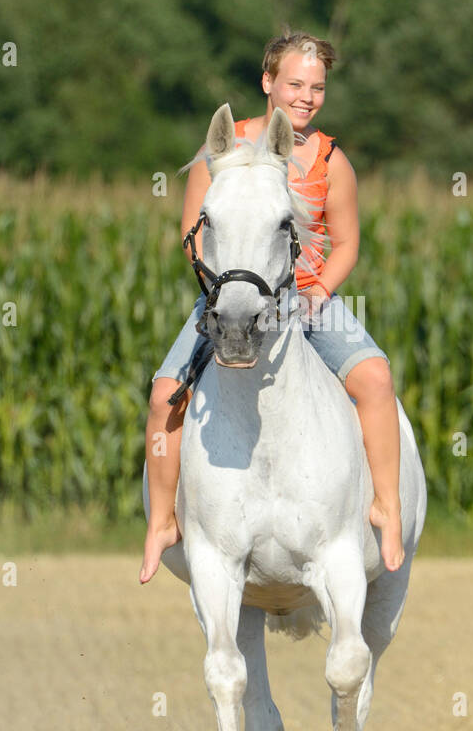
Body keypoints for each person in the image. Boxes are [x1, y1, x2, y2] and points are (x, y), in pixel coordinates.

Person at [139, 29, 405, 583]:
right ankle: (163, 521)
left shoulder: (331, 161)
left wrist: (318, 294)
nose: (306, 96)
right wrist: (226, 292)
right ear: (267, 82)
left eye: (318, 87)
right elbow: (192, 229)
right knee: (166, 392)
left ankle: (387, 507)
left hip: (308, 296)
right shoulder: (224, 150)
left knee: (376, 378)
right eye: (295, 84)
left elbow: (348, 242)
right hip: (234, 296)